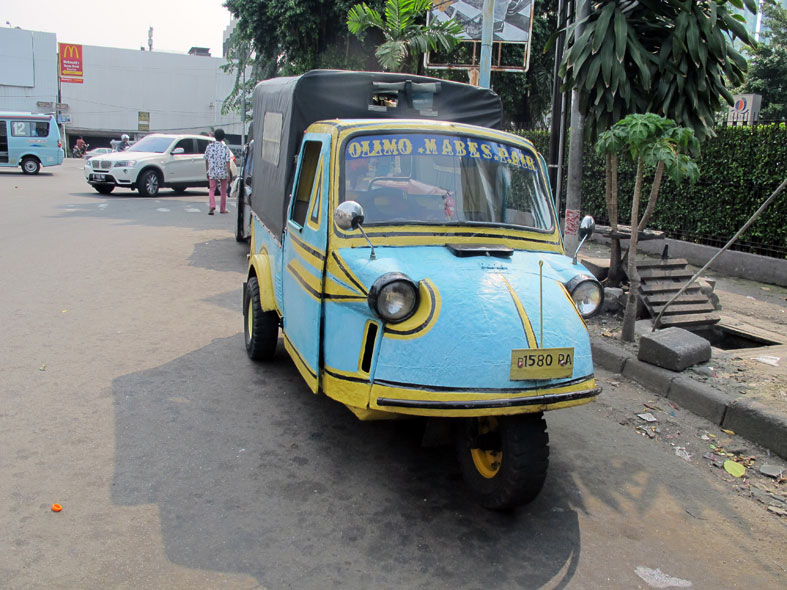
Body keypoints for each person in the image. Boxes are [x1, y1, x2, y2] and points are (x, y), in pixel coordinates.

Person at [204, 128, 232, 215]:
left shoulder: (210, 147)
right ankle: (222, 209)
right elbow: (227, 161)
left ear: (214, 137)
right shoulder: (225, 148)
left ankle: (212, 205)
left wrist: (207, 170)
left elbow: (206, 159)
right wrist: (228, 173)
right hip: (223, 171)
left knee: (212, 189)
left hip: (212, 171)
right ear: (223, 137)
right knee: (223, 190)